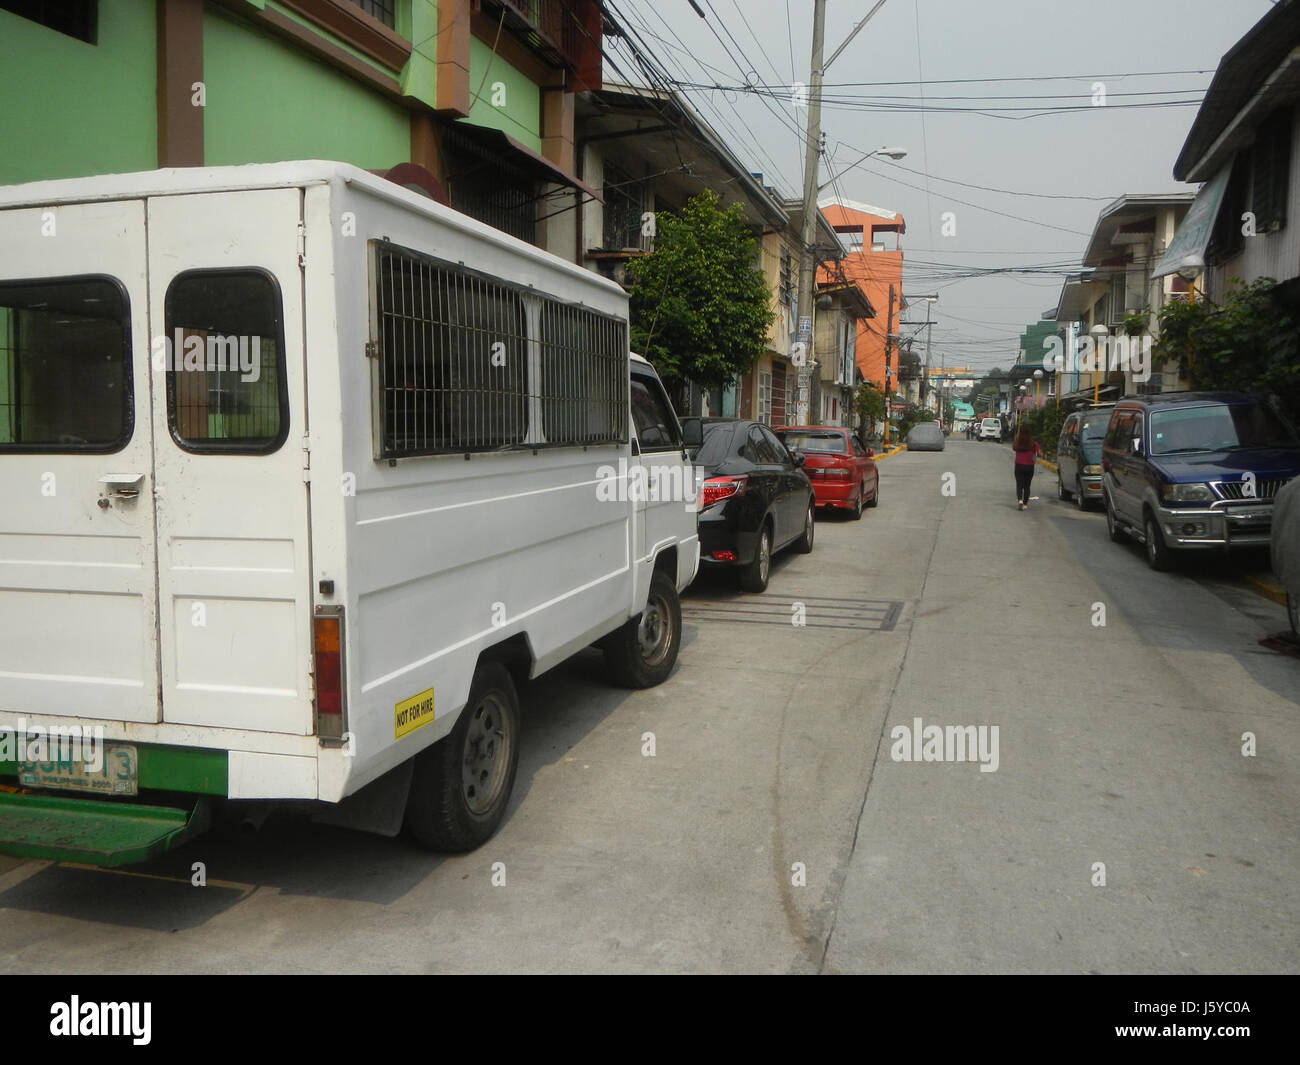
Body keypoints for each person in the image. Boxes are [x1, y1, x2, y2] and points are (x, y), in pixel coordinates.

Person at [1012, 424, 1041, 510]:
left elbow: (1014, 448)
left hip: (1019, 465)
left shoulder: (1017, 443)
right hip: (1029, 466)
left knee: (1019, 485)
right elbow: (1039, 454)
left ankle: (1020, 500)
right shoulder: (1033, 444)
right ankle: (1025, 504)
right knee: (1027, 486)